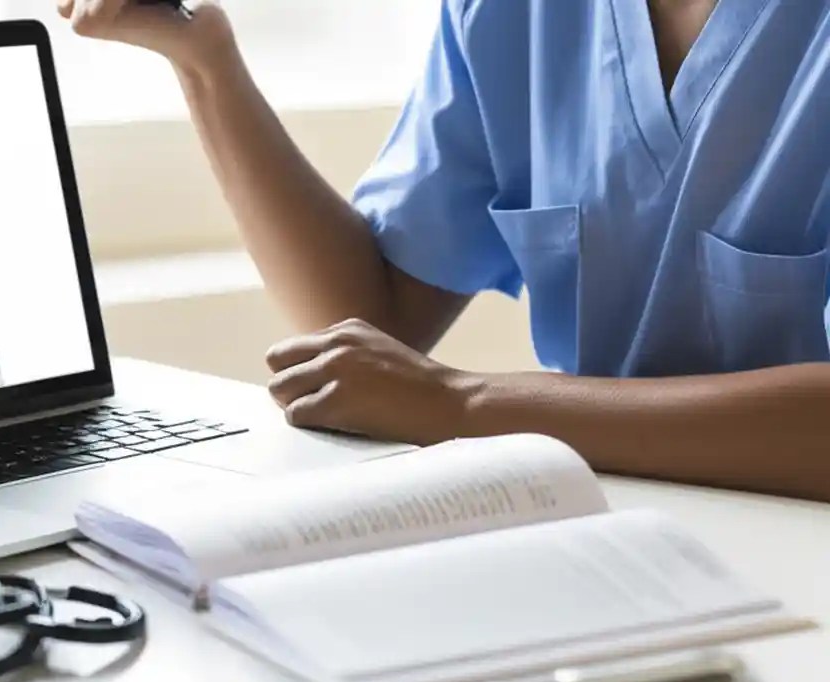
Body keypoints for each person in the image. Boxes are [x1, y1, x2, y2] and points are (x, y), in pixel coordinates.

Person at [60, 0, 830, 501]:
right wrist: (204, 65)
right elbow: (365, 329)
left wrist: (466, 405)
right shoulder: (513, 14)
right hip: (626, 523)